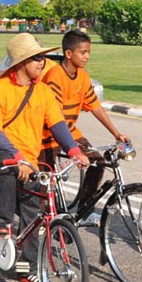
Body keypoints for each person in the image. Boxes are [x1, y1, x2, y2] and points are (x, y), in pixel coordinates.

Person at [0, 33, 89, 245]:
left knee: (34, 205)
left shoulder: (43, 91)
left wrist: (75, 150)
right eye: (37, 58)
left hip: (29, 157)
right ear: (22, 62)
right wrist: (17, 157)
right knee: (7, 168)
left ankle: (27, 268)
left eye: (43, 58)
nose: (43, 63)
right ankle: (1, 221)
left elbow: (58, 125)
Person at [40, 30, 130, 210]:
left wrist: (116, 133)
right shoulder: (55, 76)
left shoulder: (82, 76)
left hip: (70, 133)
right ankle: (44, 222)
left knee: (98, 162)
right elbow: (55, 118)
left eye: (89, 52)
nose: (87, 56)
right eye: (83, 52)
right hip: (48, 136)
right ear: (68, 53)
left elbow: (95, 106)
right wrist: (72, 149)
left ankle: (83, 208)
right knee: (44, 184)